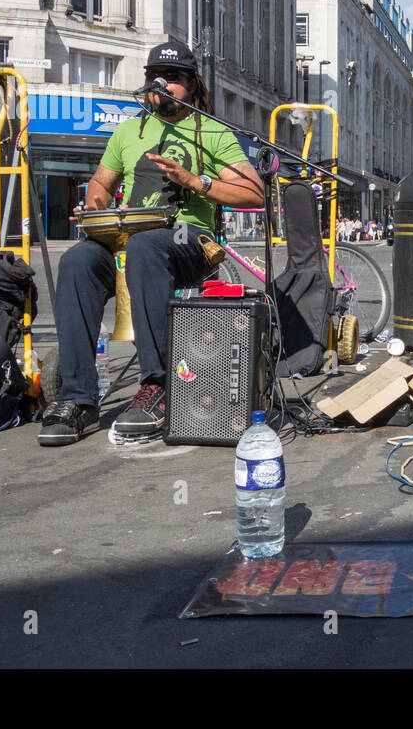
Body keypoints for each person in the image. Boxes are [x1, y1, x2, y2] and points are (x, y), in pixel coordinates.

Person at [39, 39, 265, 446]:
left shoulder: (212, 132)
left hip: (187, 242)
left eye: (174, 78)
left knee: (147, 246)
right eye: (155, 77)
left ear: (193, 85)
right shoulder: (128, 131)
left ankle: (159, 386)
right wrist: (94, 207)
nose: (163, 85)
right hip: (125, 238)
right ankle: (78, 399)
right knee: (77, 261)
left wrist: (196, 182)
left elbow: (253, 193)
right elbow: (100, 184)